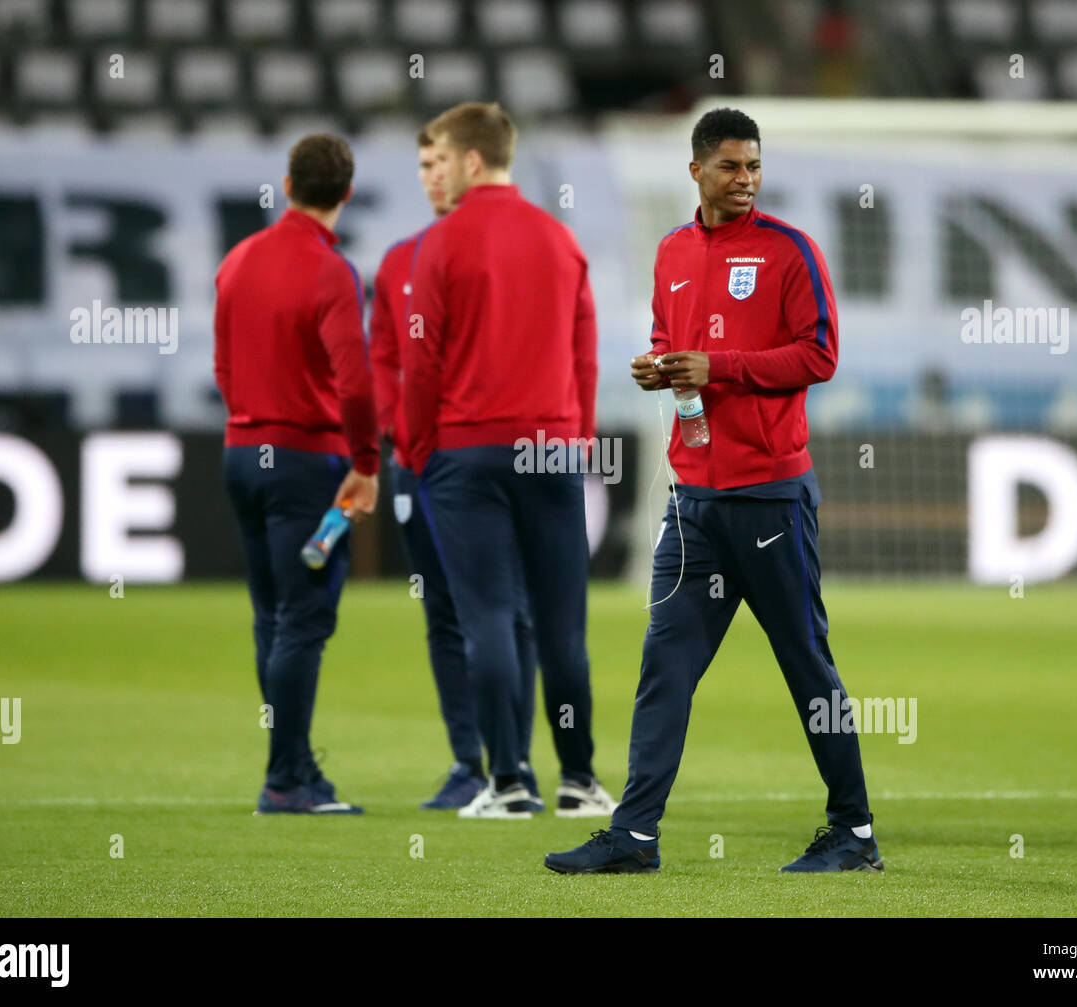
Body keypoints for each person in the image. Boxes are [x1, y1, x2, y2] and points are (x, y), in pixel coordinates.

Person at [546, 107, 881, 872]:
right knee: (664, 666)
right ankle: (633, 835)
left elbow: (820, 354)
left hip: (770, 496)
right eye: (731, 166)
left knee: (805, 662)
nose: (746, 180)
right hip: (692, 500)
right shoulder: (670, 251)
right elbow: (675, 341)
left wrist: (718, 368)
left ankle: (854, 832)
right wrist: (658, 364)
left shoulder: (790, 251)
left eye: (754, 166)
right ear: (695, 170)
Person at [402, 102, 616, 819]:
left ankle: (508, 781)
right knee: (562, 626)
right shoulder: (560, 240)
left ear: (470, 160)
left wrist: (418, 448)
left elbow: (420, 361)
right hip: (552, 448)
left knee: (488, 616)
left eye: (441, 161)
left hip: (468, 448)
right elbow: (585, 355)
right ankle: (580, 779)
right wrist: (578, 441)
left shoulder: (440, 244)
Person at [369, 130, 542, 811]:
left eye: (440, 161)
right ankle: (469, 762)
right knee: (445, 612)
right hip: (421, 463)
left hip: (490, 457)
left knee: (511, 610)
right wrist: (402, 433)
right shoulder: (397, 263)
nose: (431, 175)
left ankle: (514, 761)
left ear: (471, 166)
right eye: (421, 164)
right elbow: (383, 359)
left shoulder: (512, 250)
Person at [214, 134, 379, 815]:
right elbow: (356, 383)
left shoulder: (238, 259)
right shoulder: (331, 271)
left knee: (272, 616)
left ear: (287, 185)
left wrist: (249, 420)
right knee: (303, 621)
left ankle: (297, 764)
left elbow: (222, 364)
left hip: (241, 452)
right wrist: (367, 465)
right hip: (305, 461)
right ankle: (285, 780)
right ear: (345, 194)